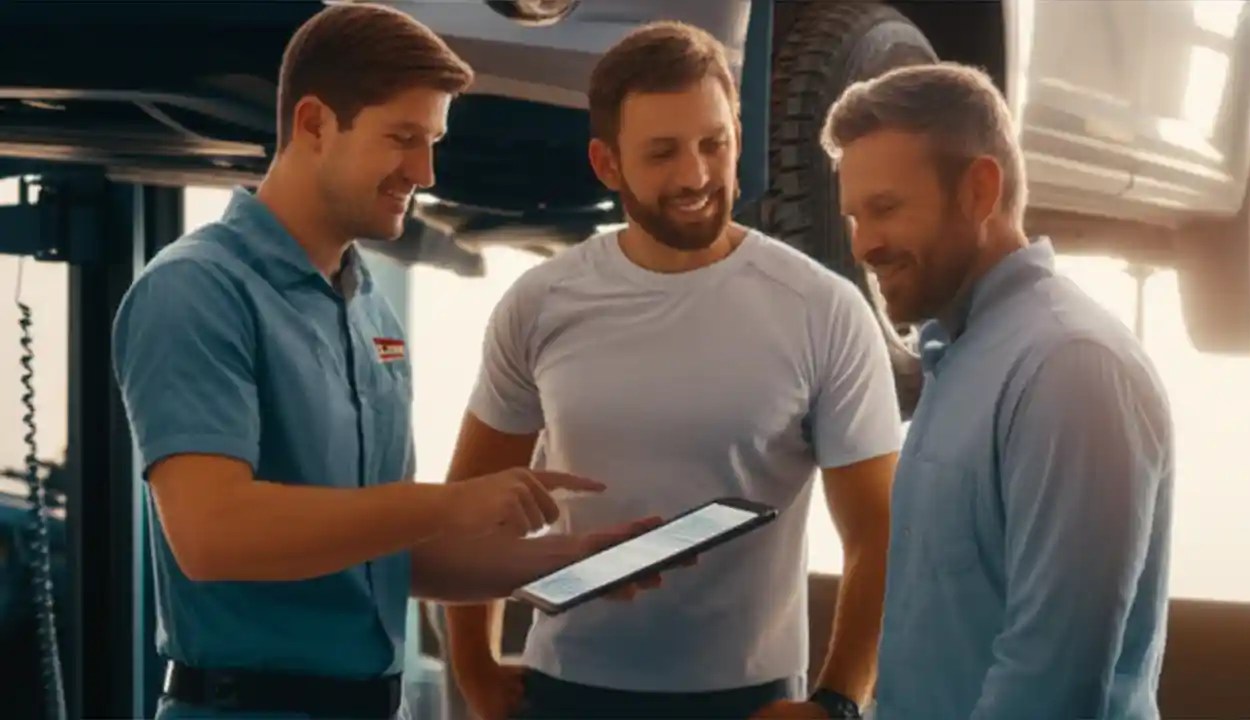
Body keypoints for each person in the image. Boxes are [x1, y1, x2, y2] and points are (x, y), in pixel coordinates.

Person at [111, 5, 664, 719]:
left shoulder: (370, 308)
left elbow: (388, 554)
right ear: (313, 124)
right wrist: (446, 501)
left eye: (432, 141)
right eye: (402, 138)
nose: (425, 171)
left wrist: (573, 558)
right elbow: (212, 535)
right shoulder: (195, 289)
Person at [444, 21, 902, 720]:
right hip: (566, 692)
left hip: (752, 701)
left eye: (713, 144)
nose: (694, 176)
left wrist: (838, 703)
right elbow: (473, 501)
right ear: (608, 163)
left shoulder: (823, 310)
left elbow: (879, 531)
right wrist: (474, 669)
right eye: (661, 153)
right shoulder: (542, 303)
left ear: (738, 137)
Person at [822, 62, 1175, 719]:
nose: (865, 244)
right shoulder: (958, 358)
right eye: (853, 217)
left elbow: (1048, 688)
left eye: (886, 209)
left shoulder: (1070, 369)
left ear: (980, 190)